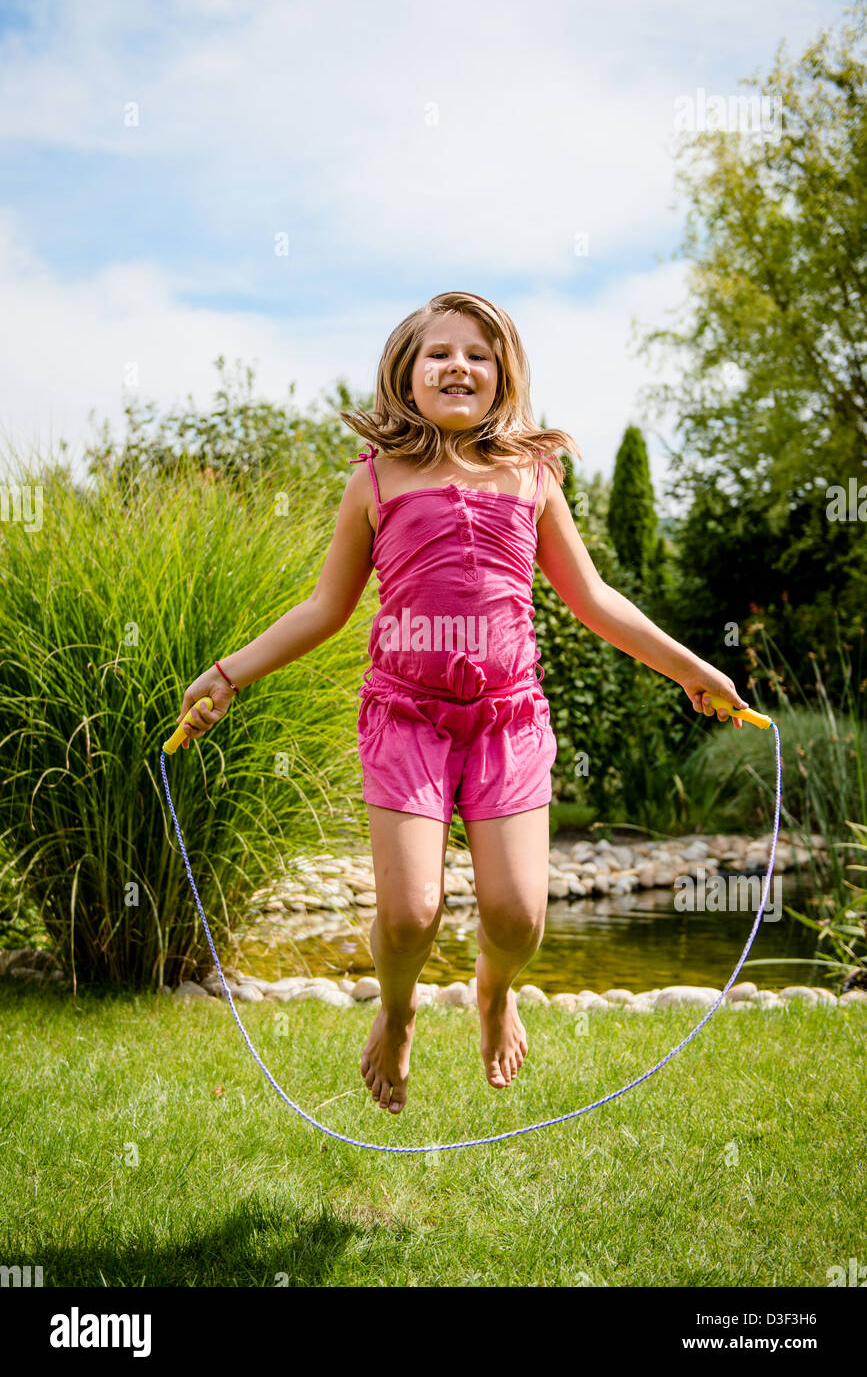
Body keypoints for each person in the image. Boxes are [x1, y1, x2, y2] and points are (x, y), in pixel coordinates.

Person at [175, 290, 748, 1116]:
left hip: (506, 720)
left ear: (503, 376)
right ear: (405, 377)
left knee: (517, 918)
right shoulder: (374, 480)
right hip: (406, 716)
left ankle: (493, 993)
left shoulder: (532, 477)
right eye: (439, 353)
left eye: (478, 355)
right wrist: (228, 673)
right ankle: (399, 1012)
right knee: (408, 915)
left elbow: (592, 597)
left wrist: (689, 667)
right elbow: (324, 609)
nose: (458, 367)